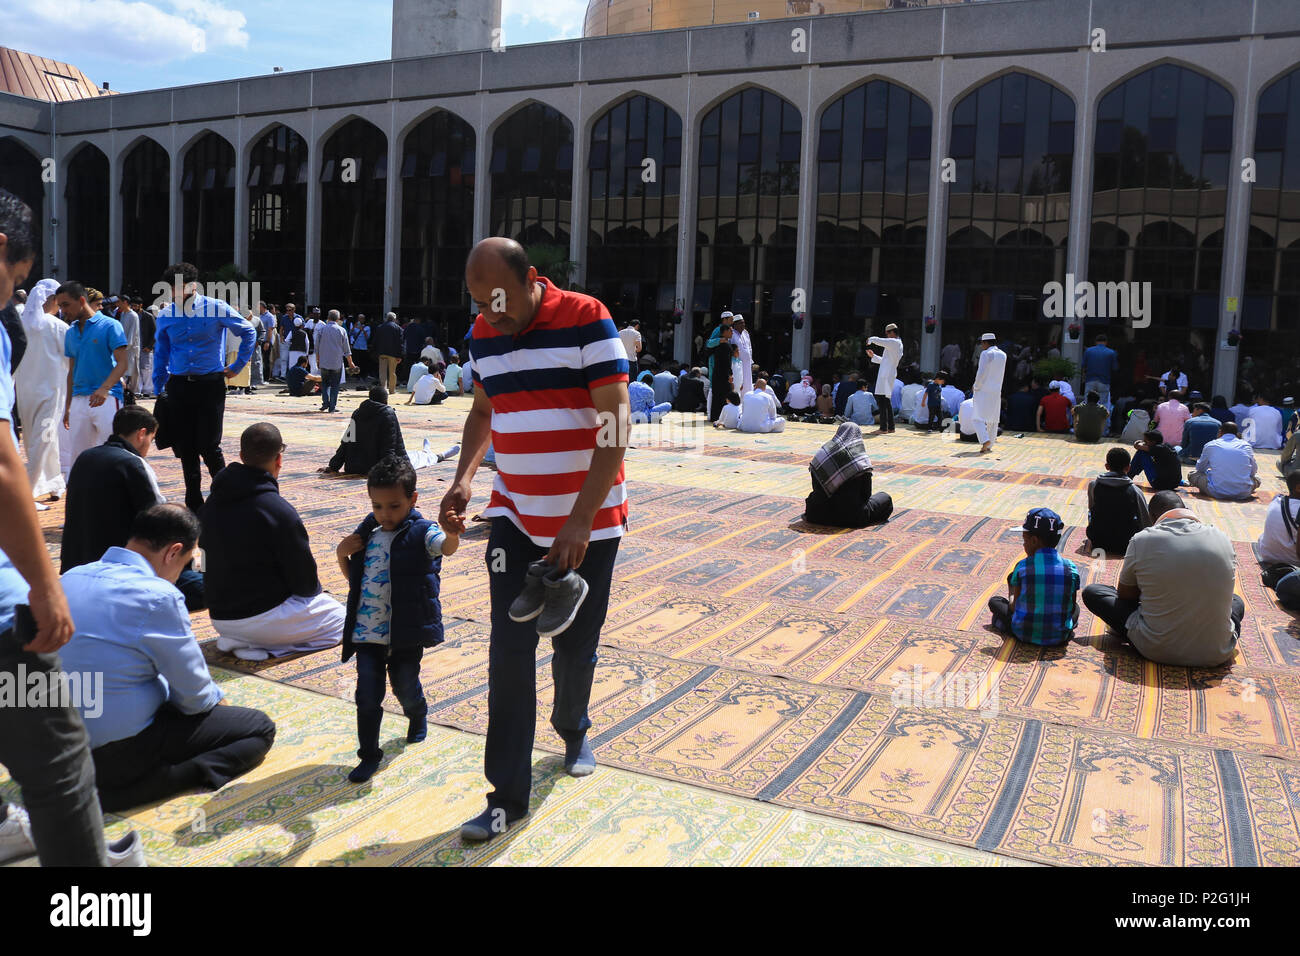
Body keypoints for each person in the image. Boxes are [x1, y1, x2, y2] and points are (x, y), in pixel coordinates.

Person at [440, 237, 630, 842]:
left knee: (574, 643)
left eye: (497, 297)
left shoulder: (586, 317)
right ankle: (506, 798)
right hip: (516, 515)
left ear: (533, 279)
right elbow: (481, 411)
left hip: (590, 521)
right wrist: (464, 480)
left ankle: (573, 726)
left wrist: (578, 521)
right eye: (477, 301)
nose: (489, 311)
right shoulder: (484, 331)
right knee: (509, 650)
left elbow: (616, 423)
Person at [0, 189, 139, 866]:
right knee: (59, 764)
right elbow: (3, 472)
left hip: (78, 404)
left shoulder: (83, 329)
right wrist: (42, 583)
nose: (15, 295)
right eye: (17, 281)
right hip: (2, 615)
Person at [58, 504, 276, 813]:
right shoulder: (157, 595)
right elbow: (195, 699)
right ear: (173, 552)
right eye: (186, 564)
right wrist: (218, 704)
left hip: (55, 744)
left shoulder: (71, 576)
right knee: (258, 728)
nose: (179, 576)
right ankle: (152, 783)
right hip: (114, 755)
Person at [334, 456, 459, 782]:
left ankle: (417, 714)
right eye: (377, 505)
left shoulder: (422, 532)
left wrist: (452, 533)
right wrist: (341, 554)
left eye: (394, 505)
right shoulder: (368, 532)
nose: (384, 514)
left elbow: (444, 548)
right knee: (367, 695)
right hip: (368, 635)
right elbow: (355, 582)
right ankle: (369, 755)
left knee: (405, 686)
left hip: (405, 634)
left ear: (412, 500)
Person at [200, 423, 344, 661]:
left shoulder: (211, 504)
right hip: (262, 617)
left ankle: (244, 640)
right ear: (279, 459)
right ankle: (271, 648)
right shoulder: (278, 511)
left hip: (220, 618)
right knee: (344, 621)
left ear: (241, 456)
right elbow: (306, 585)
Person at [1082, 491, 1243, 667]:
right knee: (1236, 602)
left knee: (1094, 592)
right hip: (1217, 651)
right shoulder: (1222, 537)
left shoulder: (1142, 540)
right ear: (1185, 509)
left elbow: (1126, 596)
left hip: (1157, 649)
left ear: (1152, 517)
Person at [152, 262, 255, 513]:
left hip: (209, 384)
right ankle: (194, 500)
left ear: (192, 286)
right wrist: (159, 388)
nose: (175, 293)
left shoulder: (215, 307)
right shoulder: (166, 316)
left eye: (180, 288)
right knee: (185, 446)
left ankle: (226, 495)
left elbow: (249, 331)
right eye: (172, 288)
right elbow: (161, 353)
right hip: (178, 385)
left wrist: (238, 364)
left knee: (209, 445)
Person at [57, 281, 129, 462]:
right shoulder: (71, 332)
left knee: (113, 453)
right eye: (60, 306)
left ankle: (114, 489)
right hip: (79, 399)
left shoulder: (110, 325)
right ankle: (83, 490)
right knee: (79, 458)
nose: (63, 310)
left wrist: (105, 388)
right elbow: (72, 370)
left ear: (81, 300)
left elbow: (123, 363)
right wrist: (67, 407)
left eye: (66, 305)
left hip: (107, 397)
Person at [987, 508, 1080, 647]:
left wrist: (1011, 588)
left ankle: (1002, 624)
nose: (1023, 544)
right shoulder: (1071, 568)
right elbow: (1071, 607)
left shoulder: (1023, 566)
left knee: (995, 602)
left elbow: (1013, 606)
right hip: (1059, 636)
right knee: (1077, 608)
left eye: (1024, 540)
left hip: (1024, 633)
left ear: (1034, 541)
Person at [14, 278, 67, 504]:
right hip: (50, 390)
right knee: (44, 439)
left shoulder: (20, 324)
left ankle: (54, 483)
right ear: (53, 299)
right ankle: (28, 491)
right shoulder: (57, 326)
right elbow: (70, 357)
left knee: (43, 439)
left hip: (25, 391)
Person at [804, 422, 893, 527]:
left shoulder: (822, 454)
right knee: (885, 499)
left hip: (816, 513)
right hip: (850, 517)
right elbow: (866, 496)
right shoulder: (860, 461)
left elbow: (816, 488)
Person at [321, 386, 408, 475]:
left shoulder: (357, 413)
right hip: (375, 468)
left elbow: (346, 442)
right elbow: (389, 447)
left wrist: (334, 466)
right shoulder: (387, 414)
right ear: (386, 401)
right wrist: (395, 470)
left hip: (354, 467)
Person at [1085, 447, 1152, 554]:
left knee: (1091, 512)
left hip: (1099, 542)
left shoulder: (1094, 485)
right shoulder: (1135, 490)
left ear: (1107, 466)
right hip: (1126, 544)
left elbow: (1091, 508)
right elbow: (1145, 520)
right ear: (1129, 468)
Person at [1187, 422, 1260, 501]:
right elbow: (1253, 471)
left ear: (1220, 432)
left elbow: (1200, 468)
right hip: (1243, 493)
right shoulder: (1246, 446)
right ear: (1236, 433)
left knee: (1192, 475)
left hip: (1216, 492)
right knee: (1257, 478)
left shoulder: (1211, 445)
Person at [315, 309, 358, 413]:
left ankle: (325, 402)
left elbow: (316, 346)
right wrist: (351, 363)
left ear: (328, 318)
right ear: (338, 319)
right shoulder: (342, 330)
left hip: (324, 361)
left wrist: (317, 359)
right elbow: (347, 349)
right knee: (335, 385)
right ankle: (332, 406)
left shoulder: (321, 329)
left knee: (324, 383)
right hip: (336, 362)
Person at [1256, 470, 1300, 567]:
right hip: (1293, 561)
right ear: (1298, 488)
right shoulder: (1298, 508)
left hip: (1267, 555)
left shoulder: (1277, 499)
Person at [972, 332, 1005, 452]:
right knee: (993, 419)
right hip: (996, 391)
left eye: (982, 343)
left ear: (986, 343)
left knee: (977, 417)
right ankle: (989, 445)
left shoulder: (986, 354)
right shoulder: (1003, 355)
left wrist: (976, 386)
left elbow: (981, 373)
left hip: (983, 389)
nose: (981, 345)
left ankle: (985, 440)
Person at [866, 323, 902, 433]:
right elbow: (884, 361)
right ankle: (890, 427)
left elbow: (882, 341)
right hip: (887, 374)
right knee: (886, 401)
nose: (886, 335)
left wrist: (871, 339)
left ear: (892, 332)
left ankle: (883, 428)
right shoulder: (895, 344)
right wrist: (874, 356)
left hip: (886, 375)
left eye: (887, 333)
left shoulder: (895, 342)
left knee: (882, 401)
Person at [113, 295, 141, 398]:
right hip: (122, 347)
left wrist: (126, 346)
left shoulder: (133, 315)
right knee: (123, 370)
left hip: (131, 348)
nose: (117, 304)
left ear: (125, 302)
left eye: (119, 302)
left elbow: (133, 334)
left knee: (132, 371)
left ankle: (132, 393)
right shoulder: (123, 315)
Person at [1082, 333, 1119, 407]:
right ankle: (1100, 418)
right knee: (1103, 405)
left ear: (1095, 342)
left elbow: (1083, 365)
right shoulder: (1111, 352)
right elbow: (1115, 368)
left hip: (1090, 380)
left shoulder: (1088, 351)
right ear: (1106, 342)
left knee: (1087, 403)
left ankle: (1087, 417)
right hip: (1104, 381)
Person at [373, 312, 404, 394]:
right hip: (393, 354)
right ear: (394, 319)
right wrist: (399, 355)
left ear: (386, 318)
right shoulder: (398, 328)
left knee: (382, 372)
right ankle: (392, 390)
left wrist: (376, 352)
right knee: (392, 372)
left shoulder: (380, 327)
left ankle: (382, 390)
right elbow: (400, 343)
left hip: (382, 352)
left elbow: (375, 341)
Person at [708, 325, 734, 422]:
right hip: (722, 375)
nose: (732, 332)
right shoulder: (724, 345)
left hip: (717, 374)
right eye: (730, 330)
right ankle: (722, 418)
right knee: (724, 397)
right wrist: (730, 375)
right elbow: (726, 362)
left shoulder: (721, 344)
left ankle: (715, 417)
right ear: (725, 331)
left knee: (717, 397)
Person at [731, 316, 754, 395]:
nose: (743, 325)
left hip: (747, 364)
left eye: (743, 322)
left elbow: (749, 347)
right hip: (737, 365)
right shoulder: (732, 334)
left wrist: (751, 362)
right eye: (740, 323)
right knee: (739, 385)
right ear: (735, 325)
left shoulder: (745, 333)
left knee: (748, 385)